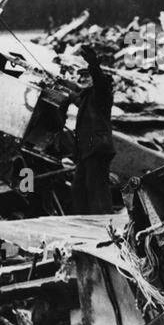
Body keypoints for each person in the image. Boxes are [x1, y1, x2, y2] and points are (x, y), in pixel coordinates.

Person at [72, 45, 115, 213]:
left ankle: (104, 225)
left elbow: (100, 81)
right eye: (80, 76)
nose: (82, 79)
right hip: (87, 152)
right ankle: (83, 223)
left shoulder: (101, 94)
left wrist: (93, 64)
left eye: (86, 76)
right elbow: (75, 96)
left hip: (97, 150)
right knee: (79, 190)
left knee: (97, 192)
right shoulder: (87, 97)